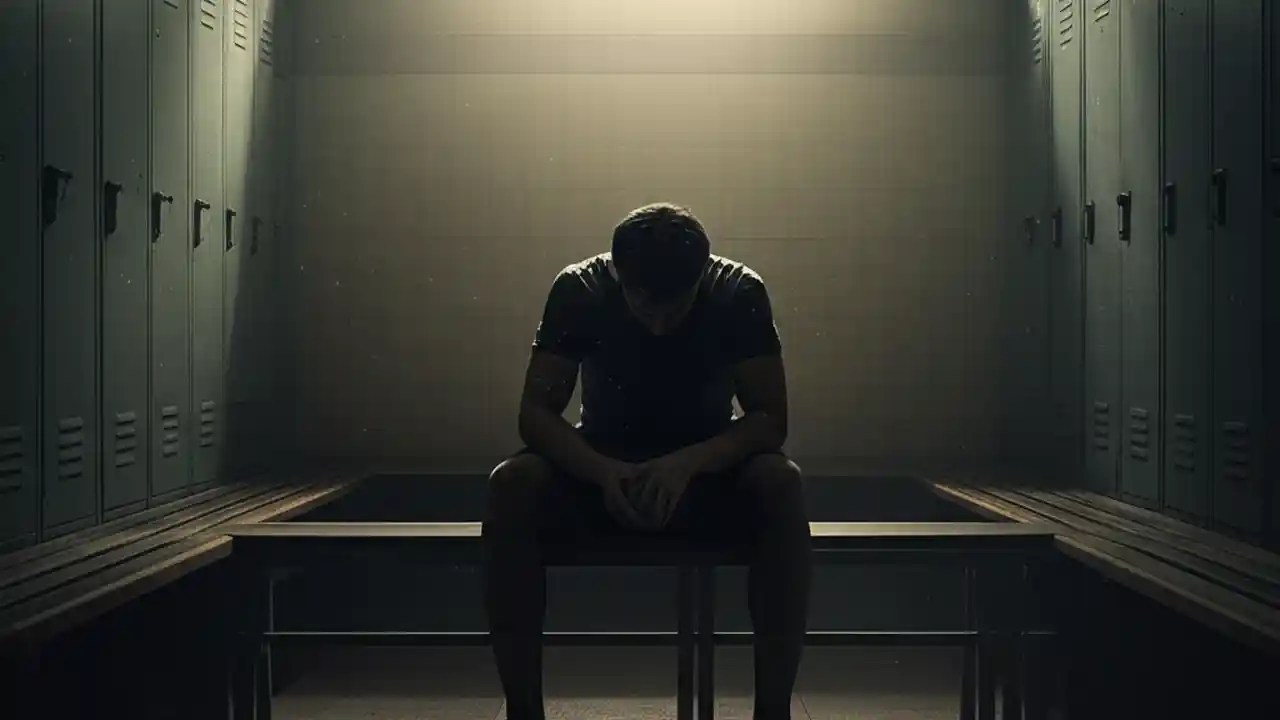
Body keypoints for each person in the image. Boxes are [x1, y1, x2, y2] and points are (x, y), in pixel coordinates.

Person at [481, 202, 812, 720]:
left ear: (700, 279)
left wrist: (689, 463)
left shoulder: (738, 292)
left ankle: (774, 713)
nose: (658, 325)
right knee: (511, 483)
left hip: (705, 476)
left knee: (781, 481)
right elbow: (535, 414)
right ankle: (524, 712)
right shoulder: (581, 290)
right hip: (604, 470)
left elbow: (770, 418)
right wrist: (600, 470)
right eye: (643, 305)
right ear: (619, 274)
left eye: (673, 309)